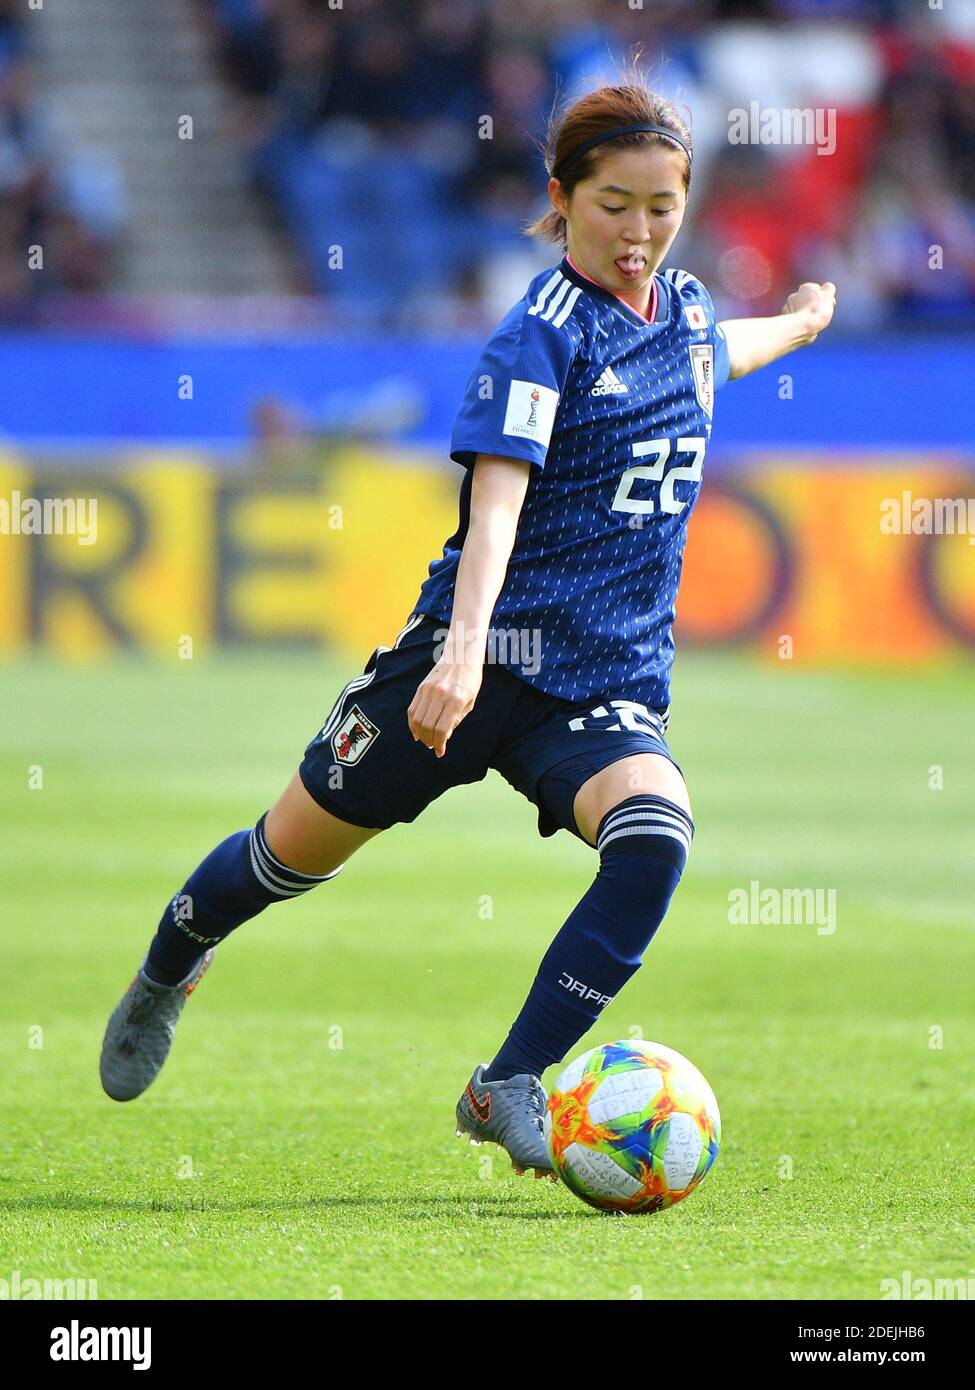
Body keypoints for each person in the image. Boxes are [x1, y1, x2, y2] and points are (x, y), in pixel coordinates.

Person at [100, 80, 836, 1181]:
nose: (639, 234)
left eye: (661, 208)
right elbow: (494, 508)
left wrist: (806, 322)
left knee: (656, 841)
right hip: (468, 662)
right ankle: (171, 963)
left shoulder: (681, 313)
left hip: (599, 683)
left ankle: (508, 1083)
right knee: (280, 859)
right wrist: (456, 656)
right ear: (562, 198)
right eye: (614, 206)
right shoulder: (537, 338)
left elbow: (716, 351)